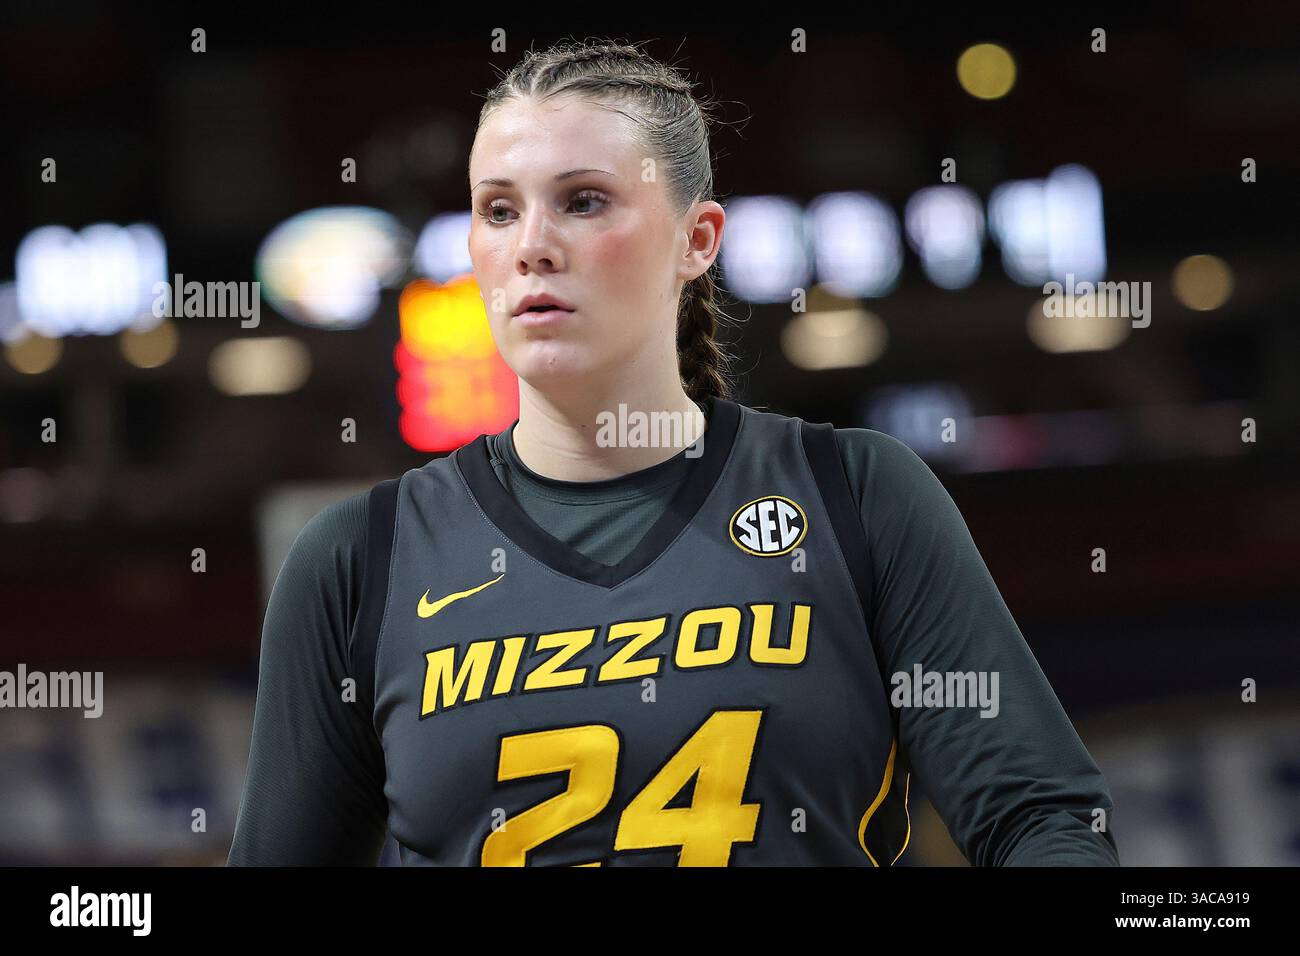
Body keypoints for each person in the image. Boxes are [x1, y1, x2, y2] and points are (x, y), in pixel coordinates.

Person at [228, 39, 1118, 866]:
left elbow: (1041, 819)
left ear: (697, 241)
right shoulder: (359, 560)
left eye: (583, 202)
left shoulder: (856, 493)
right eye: (498, 210)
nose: (532, 245)